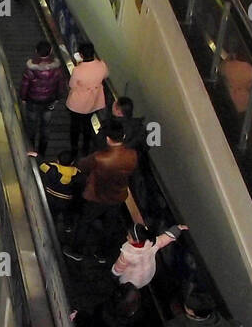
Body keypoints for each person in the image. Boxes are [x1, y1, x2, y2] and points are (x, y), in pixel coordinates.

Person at [64, 120, 138, 260]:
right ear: (123, 136)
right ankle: (102, 254)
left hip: (97, 196)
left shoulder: (100, 157)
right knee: (110, 225)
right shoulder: (132, 154)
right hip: (118, 196)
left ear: (108, 139)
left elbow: (82, 166)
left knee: (85, 221)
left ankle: (77, 251)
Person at [111, 221, 187, 290]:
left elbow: (119, 267)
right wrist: (177, 229)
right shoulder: (152, 244)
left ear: (136, 241)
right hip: (147, 274)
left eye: (129, 237)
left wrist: (114, 274)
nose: (127, 237)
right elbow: (164, 239)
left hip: (132, 278)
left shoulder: (127, 253)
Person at [20, 40, 64, 156]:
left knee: (32, 125)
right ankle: (42, 151)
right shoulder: (57, 70)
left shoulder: (30, 69)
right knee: (45, 126)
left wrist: (23, 98)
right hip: (49, 101)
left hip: (33, 101)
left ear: (36, 51)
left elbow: (25, 85)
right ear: (50, 52)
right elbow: (60, 86)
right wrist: (58, 97)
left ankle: (31, 150)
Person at [64, 41, 108, 158]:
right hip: (94, 101)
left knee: (75, 126)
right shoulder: (102, 65)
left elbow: (72, 84)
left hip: (78, 103)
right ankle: (86, 147)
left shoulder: (78, 70)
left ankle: (74, 148)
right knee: (88, 123)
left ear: (81, 55)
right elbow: (105, 75)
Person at [38, 151, 80, 230]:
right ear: (72, 162)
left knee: (52, 215)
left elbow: (41, 165)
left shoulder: (52, 169)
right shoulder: (77, 173)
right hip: (67, 200)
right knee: (67, 214)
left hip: (51, 198)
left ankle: (52, 228)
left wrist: (37, 156)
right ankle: (68, 228)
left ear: (57, 160)